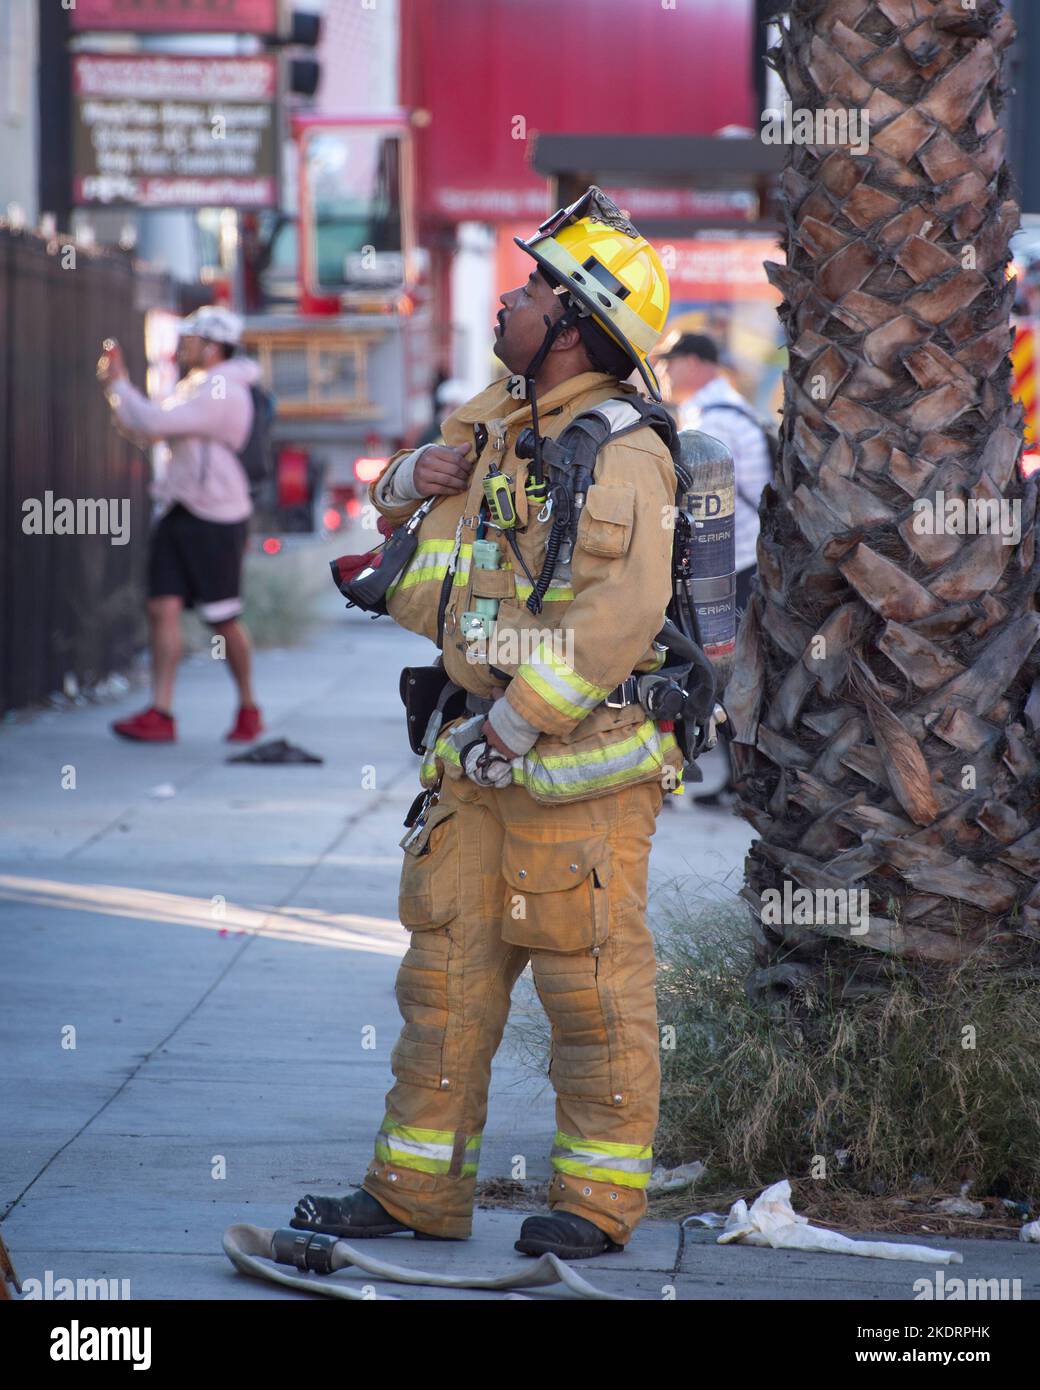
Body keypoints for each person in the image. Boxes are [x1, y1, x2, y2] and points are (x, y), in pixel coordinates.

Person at [290, 188, 683, 1260]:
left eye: (530, 290)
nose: (509, 300)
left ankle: (596, 1206)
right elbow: (404, 510)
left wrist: (512, 724)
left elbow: (618, 616)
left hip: (576, 777)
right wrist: (404, 481)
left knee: (589, 997)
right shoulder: (504, 418)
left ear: (572, 325)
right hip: (470, 767)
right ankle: (415, 1191)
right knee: (442, 984)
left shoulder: (625, 453)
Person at [97, 306, 264, 744]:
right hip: (178, 508)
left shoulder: (223, 387)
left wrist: (119, 384)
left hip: (217, 515)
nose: (182, 345)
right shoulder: (198, 384)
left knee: (222, 619)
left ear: (213, 346)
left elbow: (155, 422)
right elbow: (149, 429)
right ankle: (161, 711)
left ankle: (248, 707)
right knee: (161, 608)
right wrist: (121, 395)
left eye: (191, 338)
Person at [655, 331, 771, 612]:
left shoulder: (710, 422)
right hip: (747, 558)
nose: (662, 371)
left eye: (670, 362)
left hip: (731, 564)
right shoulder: (727, 406)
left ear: (692, 362)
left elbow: (695, 504)